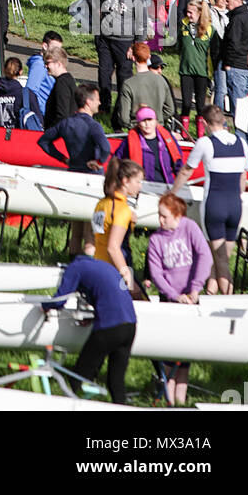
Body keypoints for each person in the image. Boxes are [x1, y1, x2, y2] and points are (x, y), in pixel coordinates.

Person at [41, 252, 137, 405]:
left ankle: (64, 406)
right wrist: (93, 318)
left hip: (109, 327)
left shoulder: (75, 267)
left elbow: (60, 300)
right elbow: (111, 297)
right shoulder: (103, 266)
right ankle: (121, 405)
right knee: (116, 381)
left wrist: (44, 306)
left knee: (79, 374)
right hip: (130, 326)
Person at [172, 104, 248, 294]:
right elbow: (243, 179)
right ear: (223, 121)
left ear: (205, 123)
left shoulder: (205, 143)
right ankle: (211, 292)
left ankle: (228, 305)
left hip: (215, 206)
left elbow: (186, 171)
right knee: (222, 257)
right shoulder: (242, 143)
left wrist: (171, 193)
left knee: (220, 260)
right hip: (235, 207)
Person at [146, 193, 213, 405]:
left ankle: (181, 401)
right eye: (159, 215)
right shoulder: (156, 239)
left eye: (164, 216)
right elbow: (156, 274)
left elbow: (205, 256)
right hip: (170, 301)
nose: (160, 220)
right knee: (168, 352)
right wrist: (174, 296)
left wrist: (195, 289)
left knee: (185, 355)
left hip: (191, 299)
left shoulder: (190, 227)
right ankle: (168, 400)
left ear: (177, 215)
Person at [93, 0, 147, 120]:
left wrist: (135, 47)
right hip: (105, 40)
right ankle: (104, 106)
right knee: (104, 74)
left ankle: (123, 109)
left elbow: (141, 23)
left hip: (124, 43)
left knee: (124, 77)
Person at [91, 157, 144, 287]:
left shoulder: (101, 204)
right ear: (125, 181)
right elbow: (113, 248)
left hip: (98, 264)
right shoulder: (122, 210)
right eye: (138, 181)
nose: (140, 186)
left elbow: (98, 233)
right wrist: (127, 276)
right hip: (115, 269)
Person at [39, 82, 110, 172]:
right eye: (97, 99)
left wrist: (63, 158)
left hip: (73, 172)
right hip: (92, 174)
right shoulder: (94, 126)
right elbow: (106, 148)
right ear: (88, 102)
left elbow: (43, 141)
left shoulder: (65, 123)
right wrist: (99, 162)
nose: (99, 103)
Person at [219, 0, 248, 133]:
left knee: (238, 108)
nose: (226, 2)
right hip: (246, 66)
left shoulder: (237, 19)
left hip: (237, 66)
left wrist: (228, 64)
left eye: (228, 0)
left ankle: (242, 139)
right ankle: (245, 137)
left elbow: (233, 43)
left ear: (238, 1)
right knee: (244, 106)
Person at [113, 106, 182, 182]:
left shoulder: (167, 138)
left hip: (167, 185)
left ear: (155, 121)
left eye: (150, 120)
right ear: (138, 123)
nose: (147, 124)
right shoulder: (130, 141)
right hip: (141, 185)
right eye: (143, 121)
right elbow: (116, 160)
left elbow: (178, 162)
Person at [116, 40, 176, 128]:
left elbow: (124, 118)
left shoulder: (128, 84)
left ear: (133, 58)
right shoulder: (161, 80)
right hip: (158, 129)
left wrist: (134, 125)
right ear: (149, 57)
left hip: (137, 131)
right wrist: (156, 121)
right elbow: (170, 110)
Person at [176, 0, 213, 139]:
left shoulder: (209, 29)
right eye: (187, 12)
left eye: (191, 12)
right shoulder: (184, 25)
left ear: (199, 13)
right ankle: (184, 134)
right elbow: (180, 45)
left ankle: (200, 136)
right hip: (186, 70)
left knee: (200, 106)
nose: (188, 15)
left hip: (202, 72)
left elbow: (213, 52)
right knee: (185, 103)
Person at [0, 56, 43, 130]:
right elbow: (38, 120)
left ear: (4, 70)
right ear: (21, 71)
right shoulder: (26, 95)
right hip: (20, 137)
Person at [42, 44, 77, 127]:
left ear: (58, 63)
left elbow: (62, 115)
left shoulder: (62, 83)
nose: (45, 66)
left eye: (47, 63)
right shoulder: (68, 79)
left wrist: (50, 134)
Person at [26, 32, 59, 111]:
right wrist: (42, 110)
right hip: (43, 114)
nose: (57, 53)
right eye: (54, 49)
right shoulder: (39, 65)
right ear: (45, 46)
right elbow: (31, 91)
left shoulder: (45, 63)